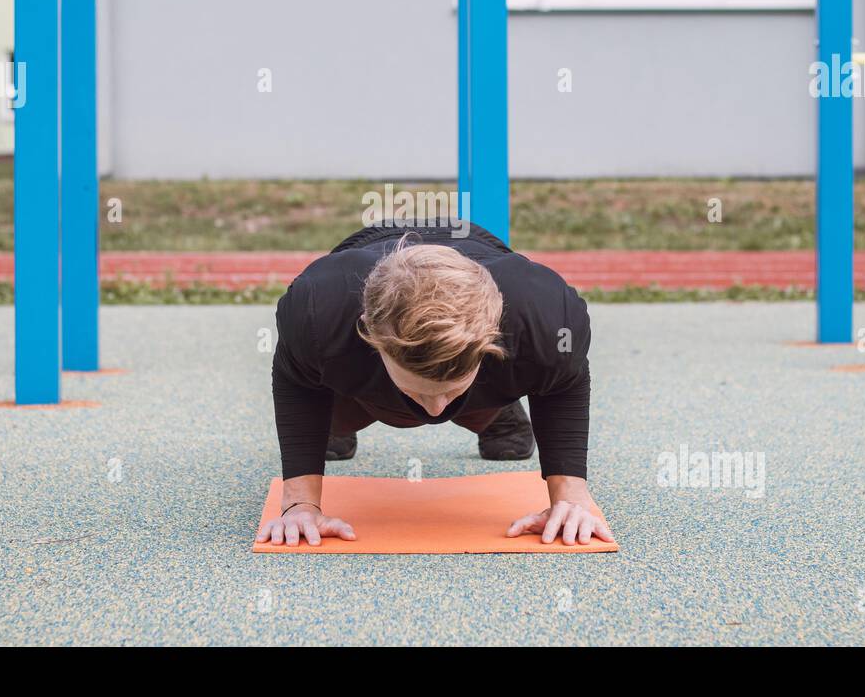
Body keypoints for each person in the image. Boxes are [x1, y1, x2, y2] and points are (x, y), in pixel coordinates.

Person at [257, 222, 613, 548]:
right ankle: (357, 408)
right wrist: (300, 503)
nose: (435, 412)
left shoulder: (547, 319)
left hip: (491, 338)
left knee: (497, 410)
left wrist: (570, 499)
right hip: (357, 364)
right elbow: (296, 381)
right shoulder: (317, 311)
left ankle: (495, 409)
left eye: (453, 391)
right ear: (370, 332)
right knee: (334, 419)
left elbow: (564, 381)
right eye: (418, 391)